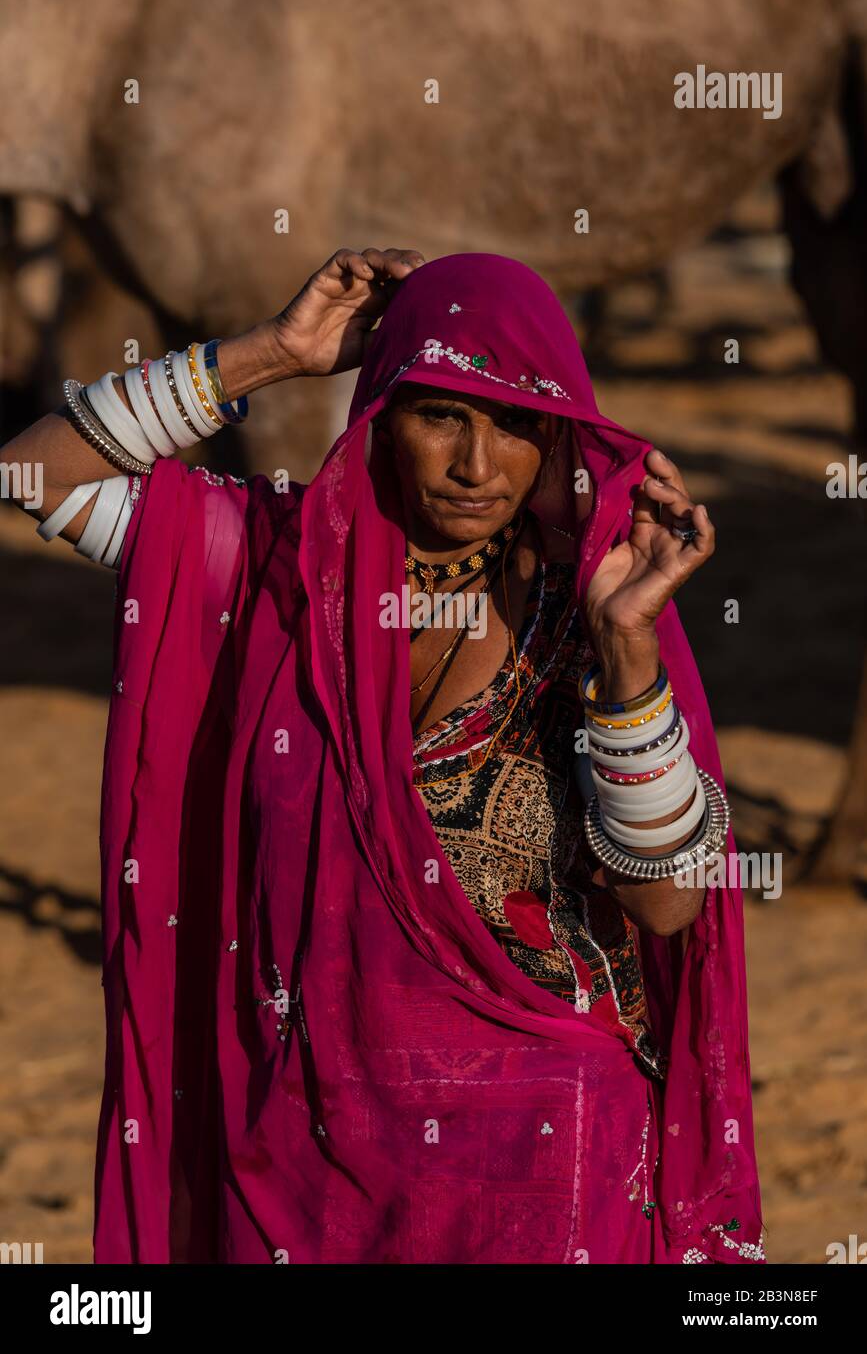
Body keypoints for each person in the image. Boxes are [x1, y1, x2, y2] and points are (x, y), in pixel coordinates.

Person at [1, 248, 764, 1264]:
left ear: (559, 438)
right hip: (308, 1139)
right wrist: (274, 353)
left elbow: (669, 904)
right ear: (379, 414)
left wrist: (628, 642)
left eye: (515, 423)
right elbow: (29, 472)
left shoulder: (588, 612)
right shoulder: (268, 576)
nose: (476, 464)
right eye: (441, 413)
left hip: (544, 1142)